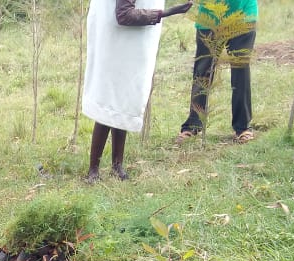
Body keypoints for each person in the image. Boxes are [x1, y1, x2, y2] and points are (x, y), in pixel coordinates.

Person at [82, 0, 192, 182]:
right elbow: (124, 15)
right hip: (119, 43)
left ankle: (117, 166)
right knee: (109, 102)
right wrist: (168, 12)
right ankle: (93, 170)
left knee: (124, 99)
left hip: (123, 42)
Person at [175, 0, 258, 145]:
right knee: (202, 72)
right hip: (209, 18)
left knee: (241, 70)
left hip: (243, 15)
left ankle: (243, 127)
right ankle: (193, 125)